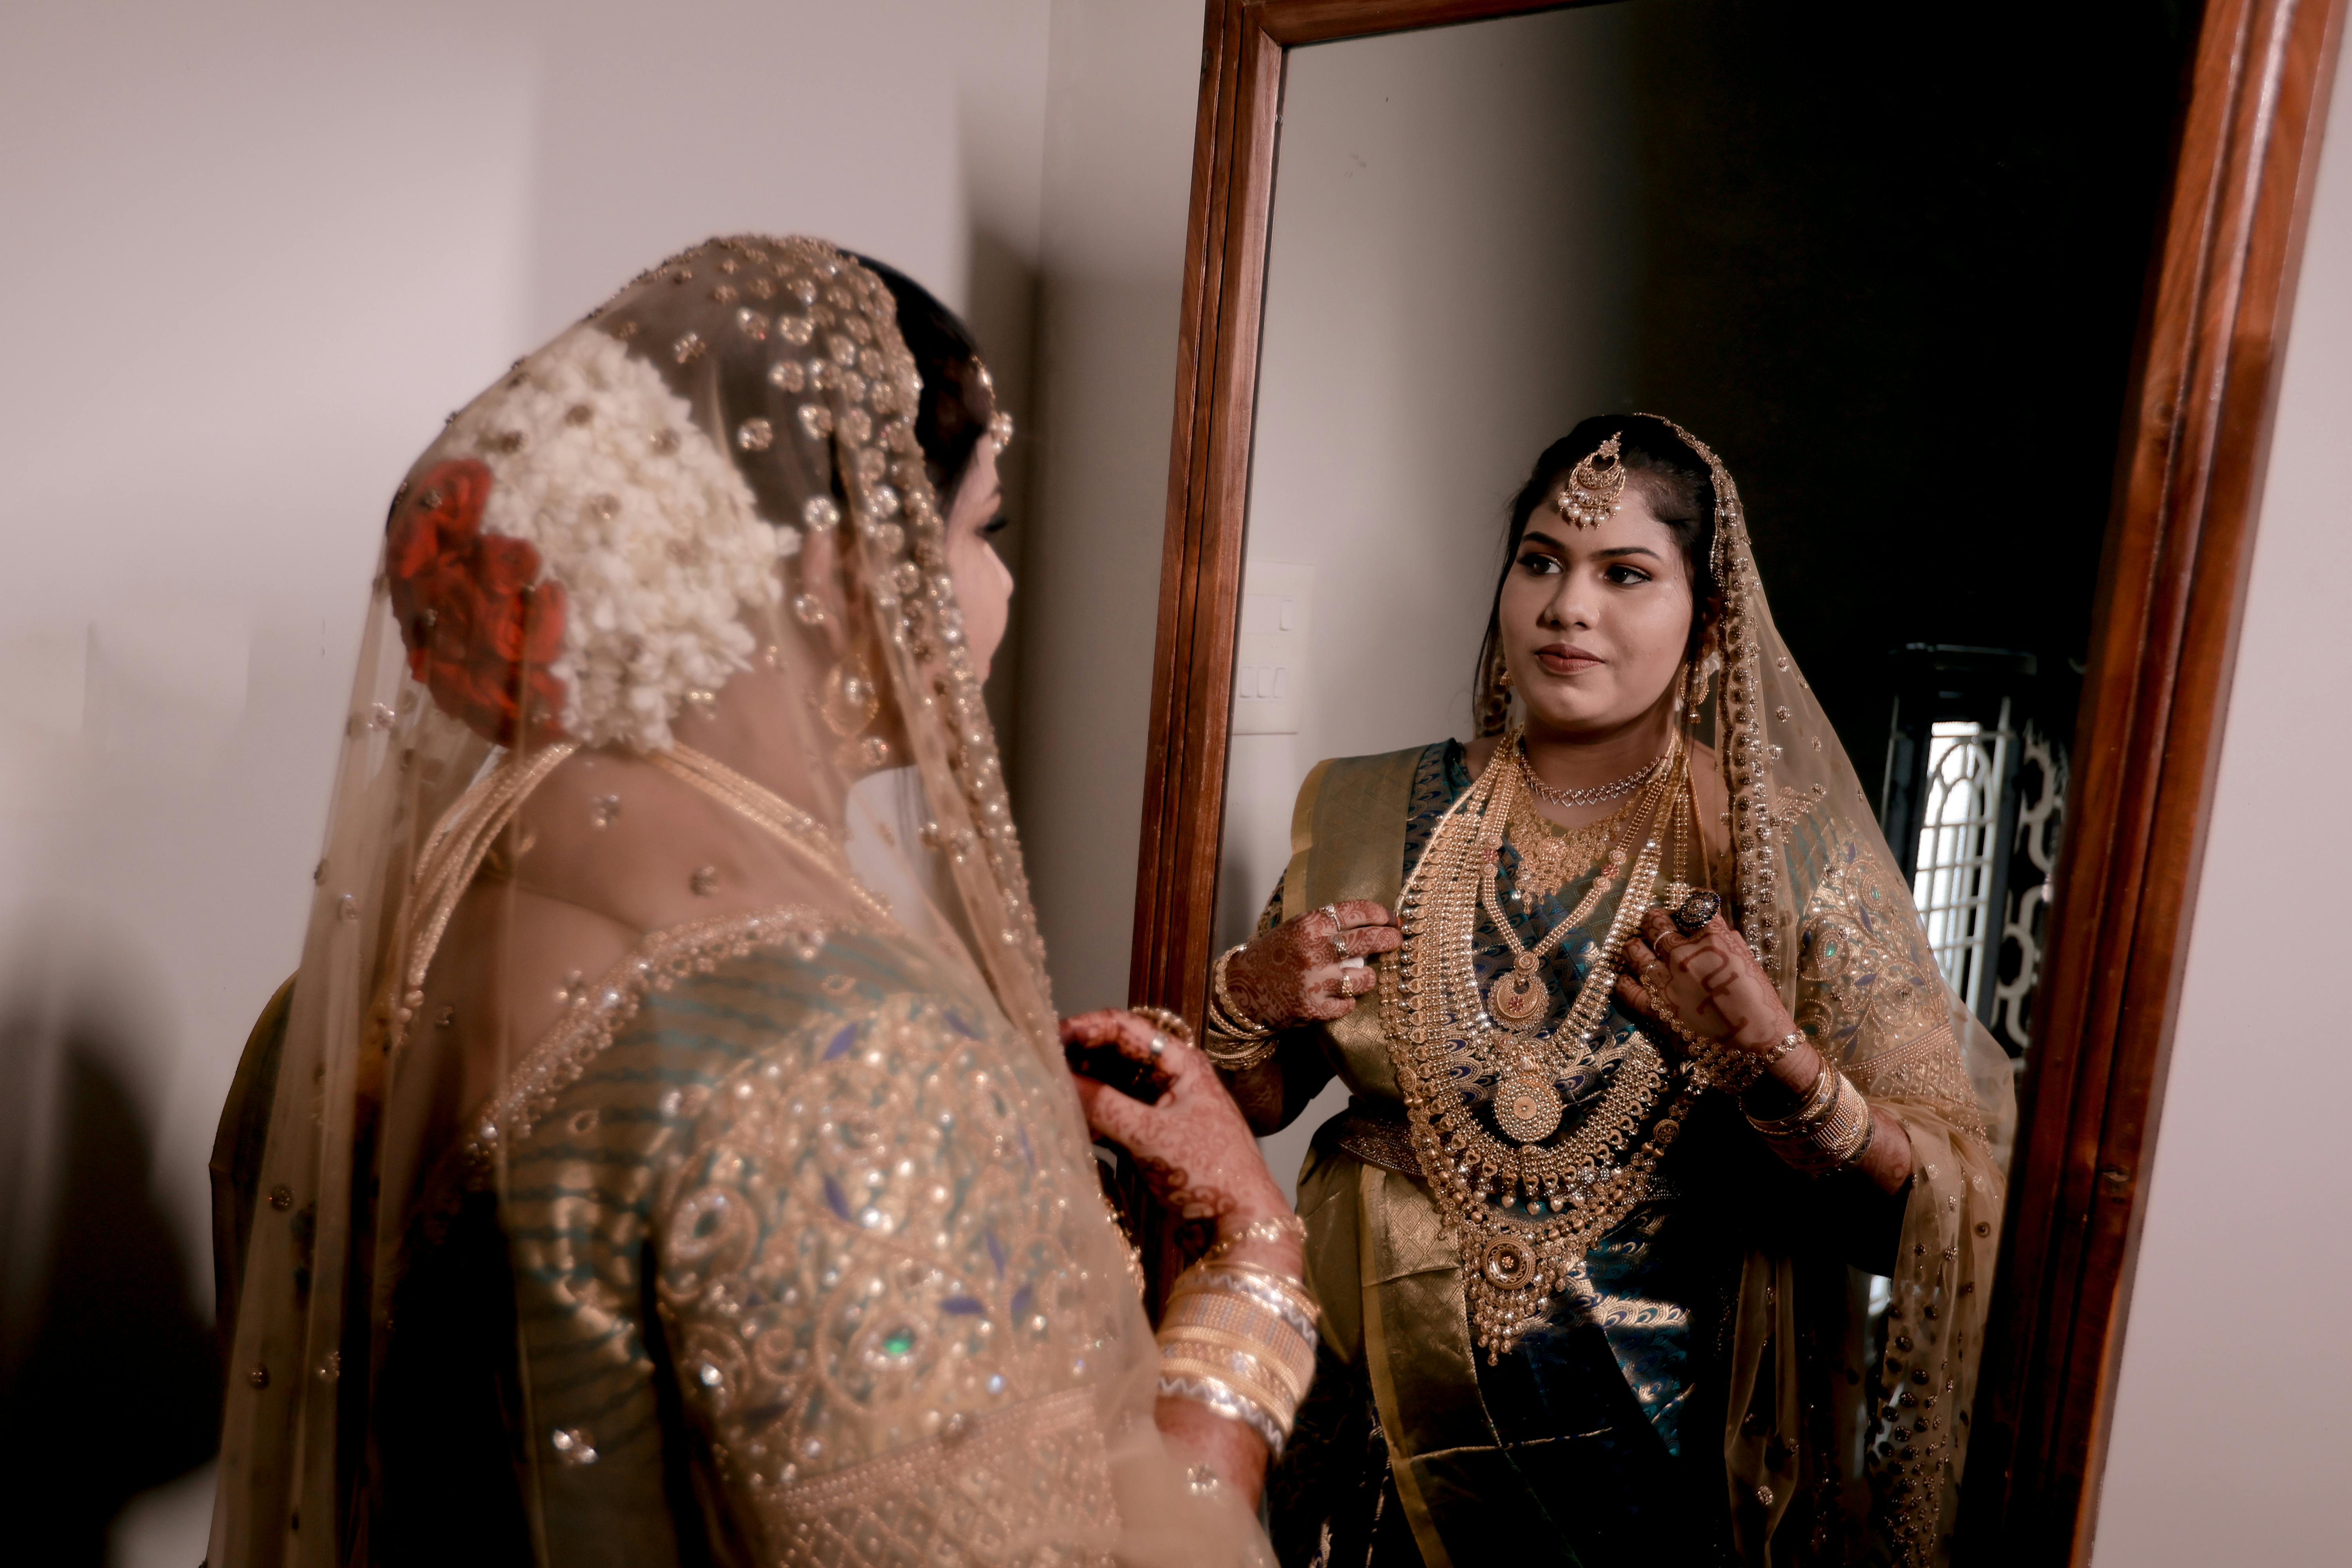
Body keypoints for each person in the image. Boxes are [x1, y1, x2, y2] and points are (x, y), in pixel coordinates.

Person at [207, 237, 1302, 1568]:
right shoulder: (853, 1059)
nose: (1001, 584)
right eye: (981, 532)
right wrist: (1249, 1290)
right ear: (848, 577)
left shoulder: (337, 1003)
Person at [1208, 416, 2014, 1567]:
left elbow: (1932, 1206)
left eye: (1624, 573)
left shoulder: (1784, 862)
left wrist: (1780, 1061)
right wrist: (1247, 994)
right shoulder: (1372, 811)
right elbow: (1258, 1101)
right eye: (1540, 561)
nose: (1567, 606)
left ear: (1710, 620)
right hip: (1365, 1412)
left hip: (1644, 1439)